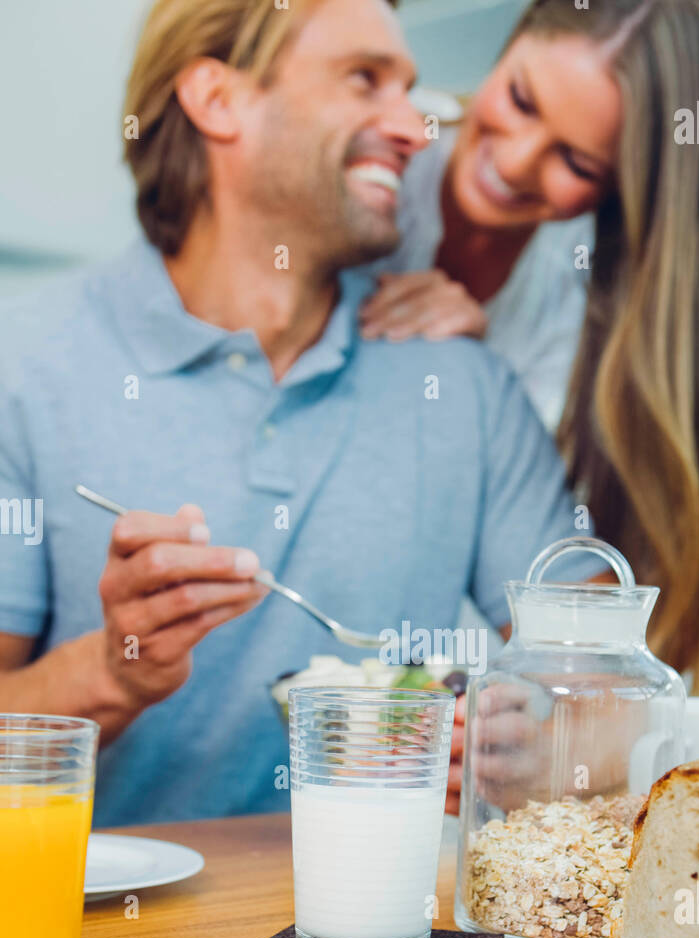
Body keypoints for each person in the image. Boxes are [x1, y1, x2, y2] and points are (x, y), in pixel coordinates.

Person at [0, 0, 582, 827]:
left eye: (409, 88)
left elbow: (601, 687)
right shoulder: (21, 368)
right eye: (364, 80)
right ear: (218, 99)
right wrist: (115, 670)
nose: (416, 130)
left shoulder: (464, 384)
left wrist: (542, 747)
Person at [361, 0, 699, 690]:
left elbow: (551, 568)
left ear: (625, 190)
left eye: (578, 163)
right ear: (514, 38)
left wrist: (478, 362)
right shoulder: (386, 158)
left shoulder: (589, 294)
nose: (517, 162)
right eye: (522, 99)